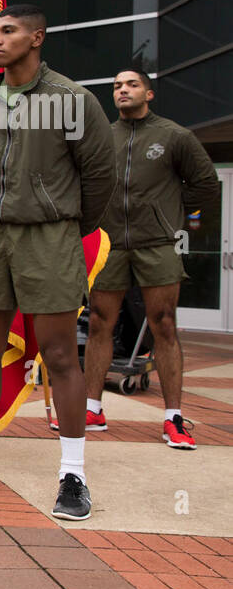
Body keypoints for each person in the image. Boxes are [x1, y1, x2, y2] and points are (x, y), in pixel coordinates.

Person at [0, 3, 116, 521]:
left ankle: (74, 474)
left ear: (38, 37)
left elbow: (99, 176)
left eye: (8, 31)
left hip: (49, 239)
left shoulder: (72, 100)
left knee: (60, 355)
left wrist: (64, 227)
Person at [77, 68, 219, 449]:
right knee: (99, 325)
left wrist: (172, 216)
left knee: (164, 325)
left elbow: (206, 185)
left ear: (149, 94)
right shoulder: (102, 136)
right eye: (117, 86)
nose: (122, 90)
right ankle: (92, 408)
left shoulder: (175, 136)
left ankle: (173, 419)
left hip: (157, 243)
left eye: (131, 85)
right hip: (110, 244)